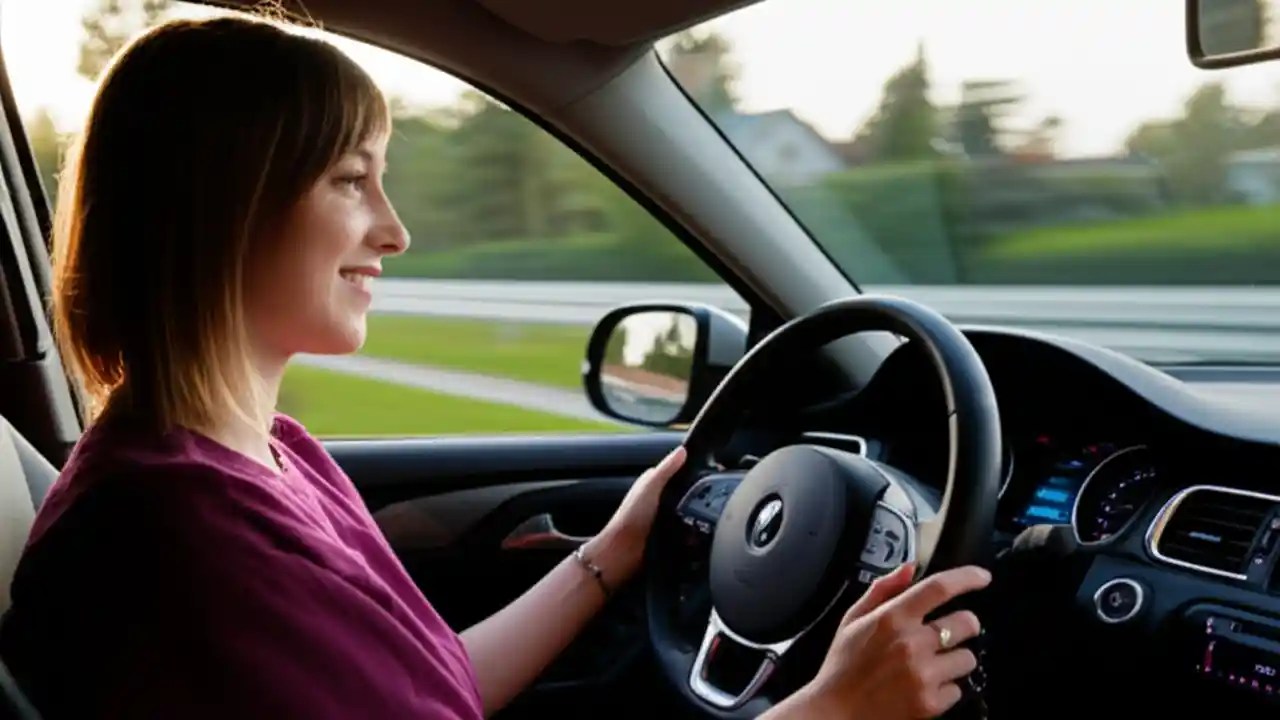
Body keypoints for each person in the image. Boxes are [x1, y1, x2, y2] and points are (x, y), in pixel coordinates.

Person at [0, 13, 991, 720]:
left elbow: (432, 687)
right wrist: (835, 710)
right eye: (352, 182)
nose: (394, 231)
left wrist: (614, 550)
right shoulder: (173, 535)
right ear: (221, 212)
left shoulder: (268, 457)